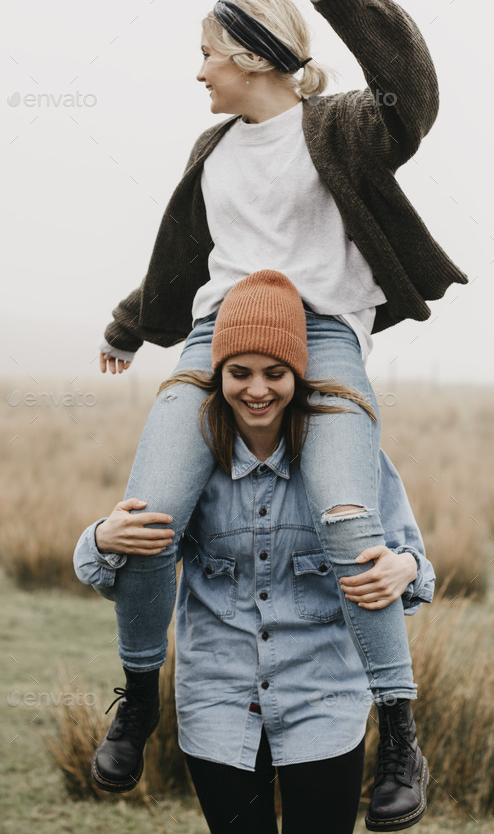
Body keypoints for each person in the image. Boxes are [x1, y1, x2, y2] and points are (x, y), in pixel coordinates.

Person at [89, 0, 466, 829]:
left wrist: (354, 5)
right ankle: (140, 698)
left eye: (209, 53)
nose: (199, 70)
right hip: (218, 336)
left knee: (346, 521)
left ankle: (399, 728)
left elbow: (414, 100)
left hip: (323, 336)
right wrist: (125, 326)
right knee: (146, 518)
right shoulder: (213, 148)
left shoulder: (339, 128)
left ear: (255, 58)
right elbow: (181, 255)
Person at [75, 272, 435, 834]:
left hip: (324, 703)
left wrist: (405, 567)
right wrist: (100, 539)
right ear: (217, 376)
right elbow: (113, 571)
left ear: (300, 374)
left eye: (275, 373)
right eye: (239, 373)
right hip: (217, 704)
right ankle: (136, 710)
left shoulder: (348, 460)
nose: (257, 389)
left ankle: (403, 743)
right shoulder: (187, 466)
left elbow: (414, 565)